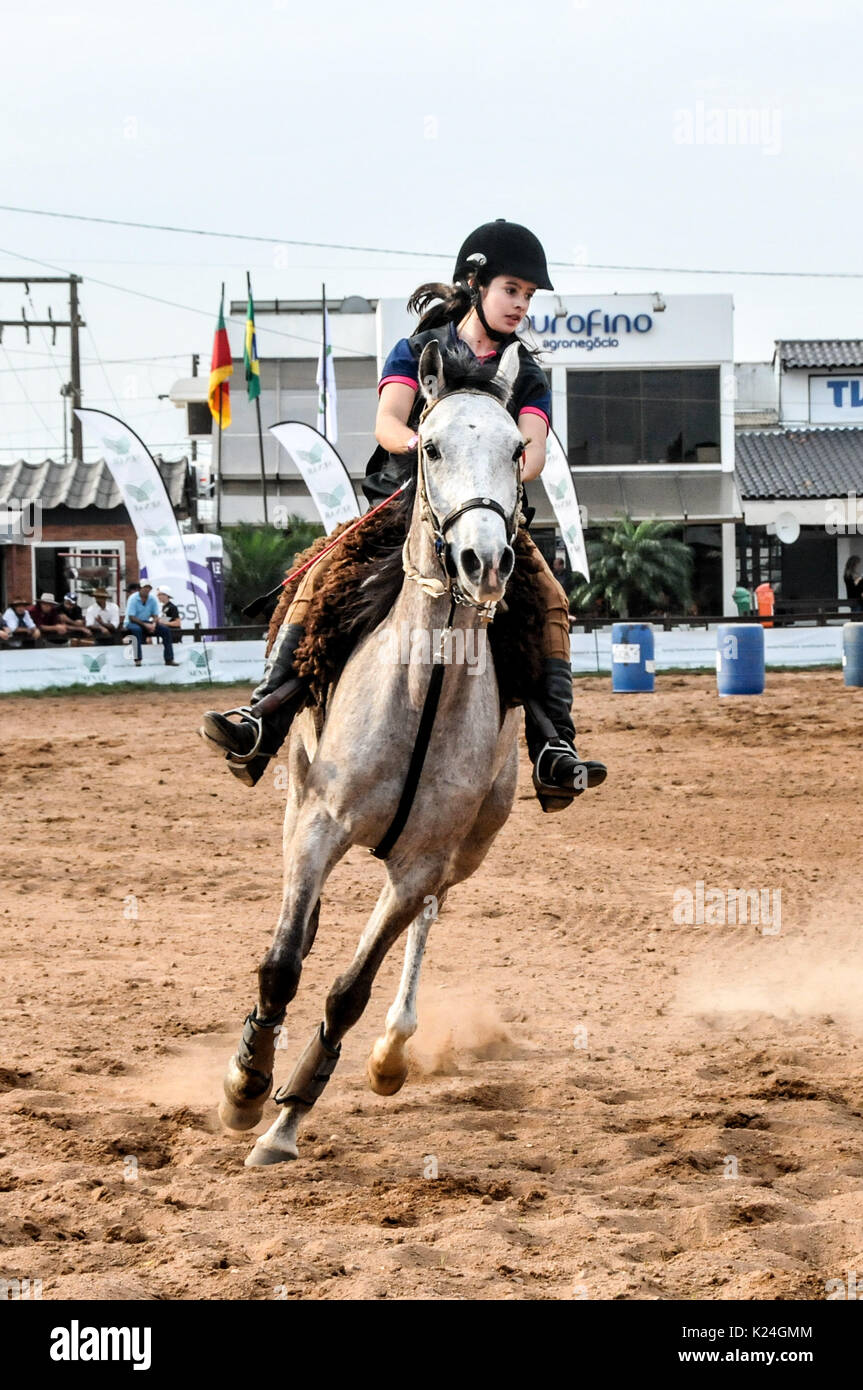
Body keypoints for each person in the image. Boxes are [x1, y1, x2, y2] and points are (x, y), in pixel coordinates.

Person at [201, 220, 607, 810]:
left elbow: (533, 455)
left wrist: (484, 473)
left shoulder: (530, 372)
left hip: (487, 515)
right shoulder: (416, 350)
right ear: (476, 282)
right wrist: (432, 449)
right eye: (511, 289)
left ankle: (553, 749)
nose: (521, 304)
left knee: (549, 601)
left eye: (529, 295)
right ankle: (263, 718)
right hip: (407, 504)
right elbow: (387, 426)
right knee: (322, 575)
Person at [124, 581, 179, 666]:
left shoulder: (154, 599)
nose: (147, 589)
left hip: (146, 622)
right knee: (136, 630)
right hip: (132, 622)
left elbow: (155, 615)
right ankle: (138, 659)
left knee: (165, 630)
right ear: (140, 589)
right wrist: (147, 625)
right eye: (145, 587)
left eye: (148, 587)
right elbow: (132, 617)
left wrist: (153, 624)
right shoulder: (133, 598)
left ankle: (169, 659)